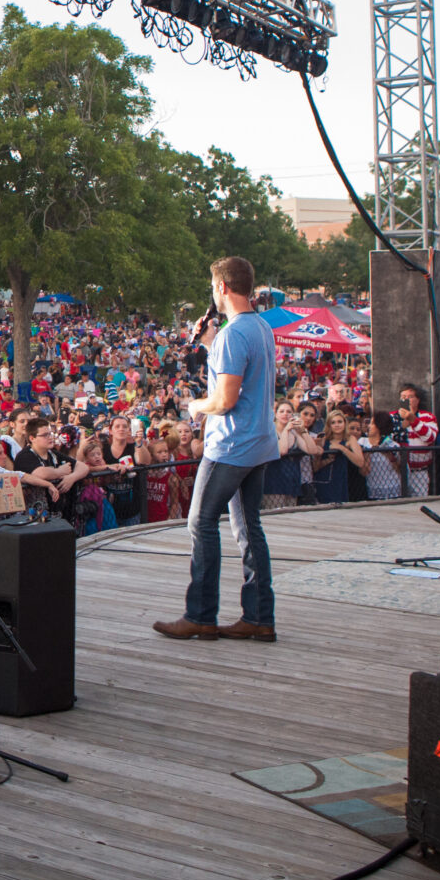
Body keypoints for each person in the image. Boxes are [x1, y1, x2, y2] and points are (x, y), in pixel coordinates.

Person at [153, 257, 277, 643]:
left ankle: (201, 615)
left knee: (201, 522)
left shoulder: (232, 334)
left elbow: (224, 399)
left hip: (230, 445)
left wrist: (194, 406)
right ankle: (258, 616)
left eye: (212, 287)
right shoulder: (260, 327)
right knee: (247, 526)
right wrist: (209, 345)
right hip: (259, 441)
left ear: (221, 288)